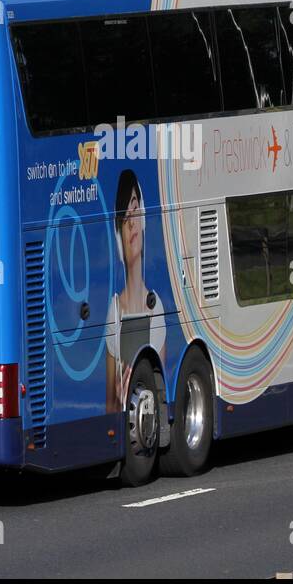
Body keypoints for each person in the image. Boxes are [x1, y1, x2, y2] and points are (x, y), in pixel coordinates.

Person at [105, 169, 166, 413]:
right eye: (125, 216)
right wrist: (119, 400)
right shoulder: (115, 310)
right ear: (118, 233)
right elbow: (109, 405)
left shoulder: (156, 306)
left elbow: (164, 388)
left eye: (135, 207)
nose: (132, 222)